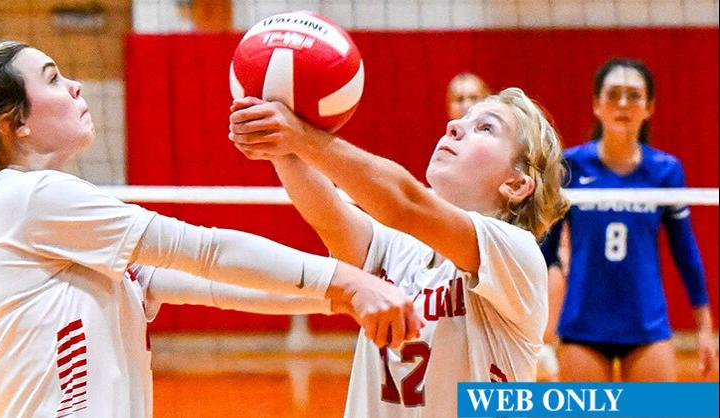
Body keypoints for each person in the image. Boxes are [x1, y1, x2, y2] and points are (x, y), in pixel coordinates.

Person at [0, 40, 424, 417]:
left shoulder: (43, 209)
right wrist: (349, 281)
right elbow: (204, 250)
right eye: (52, 79)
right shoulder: (31, 198)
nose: (75, 86)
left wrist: (347, 297)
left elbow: (211, 286)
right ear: (14, 123)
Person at [229, 86, 570, 416]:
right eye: (462, 118)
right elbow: (328, 215)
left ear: (517, 183)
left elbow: (404, 203)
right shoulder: (398, 245)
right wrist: (275, 138)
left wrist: (301, 136)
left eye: (485, 127)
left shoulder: (514, 250)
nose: (454, 126)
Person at [539, 58, 717, 382]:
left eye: (634, 95)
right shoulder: (570, 166)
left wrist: (705, 328)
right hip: (583, 326)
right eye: (613, 94)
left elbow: (685, 251)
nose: (623, 103)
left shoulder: (665, 170)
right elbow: (544, 251)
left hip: (646, 325)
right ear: (596, 105)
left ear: (649, 107)